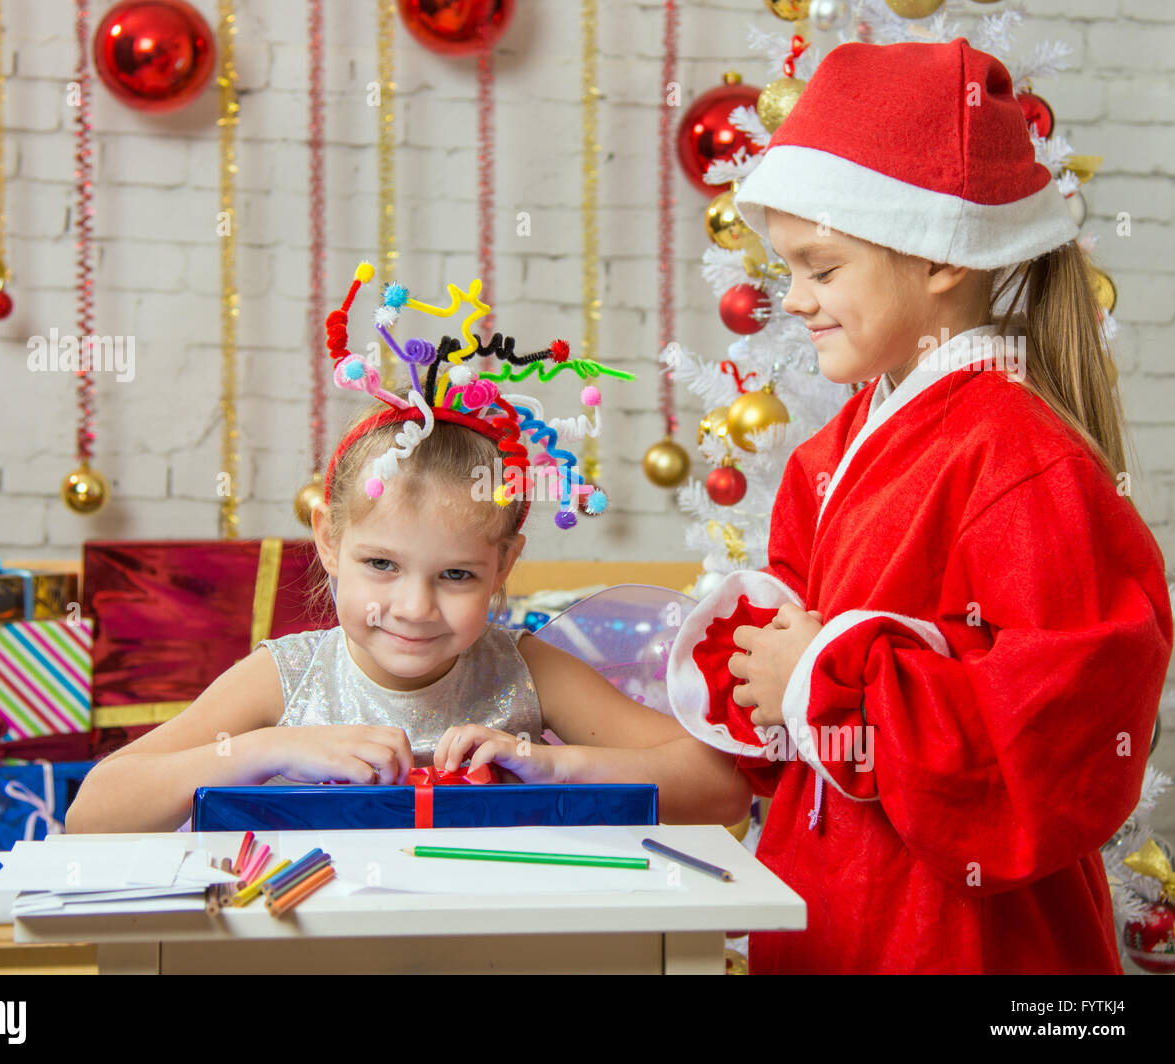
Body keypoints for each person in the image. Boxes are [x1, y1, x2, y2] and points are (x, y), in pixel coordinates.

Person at [665, 38, 1172, 974]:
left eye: (822, 269)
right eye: (787, 275)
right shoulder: (835, 453)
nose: (799, 305)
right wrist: (773, 669)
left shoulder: (1021, 460)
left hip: (961, 946)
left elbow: (1060, 732)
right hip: (832, 916)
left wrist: (824, 678)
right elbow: (794, 671)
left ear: (938, 257)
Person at [67, 266, 750, 835]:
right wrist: (269, 747)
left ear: (503, 567)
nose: (415, 607)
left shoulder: (523, 670)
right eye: (382, 565)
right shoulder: (287, 679)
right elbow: (94, 813)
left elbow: (720, 791)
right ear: (330, 542)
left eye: (456, 574)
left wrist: (555, 762)